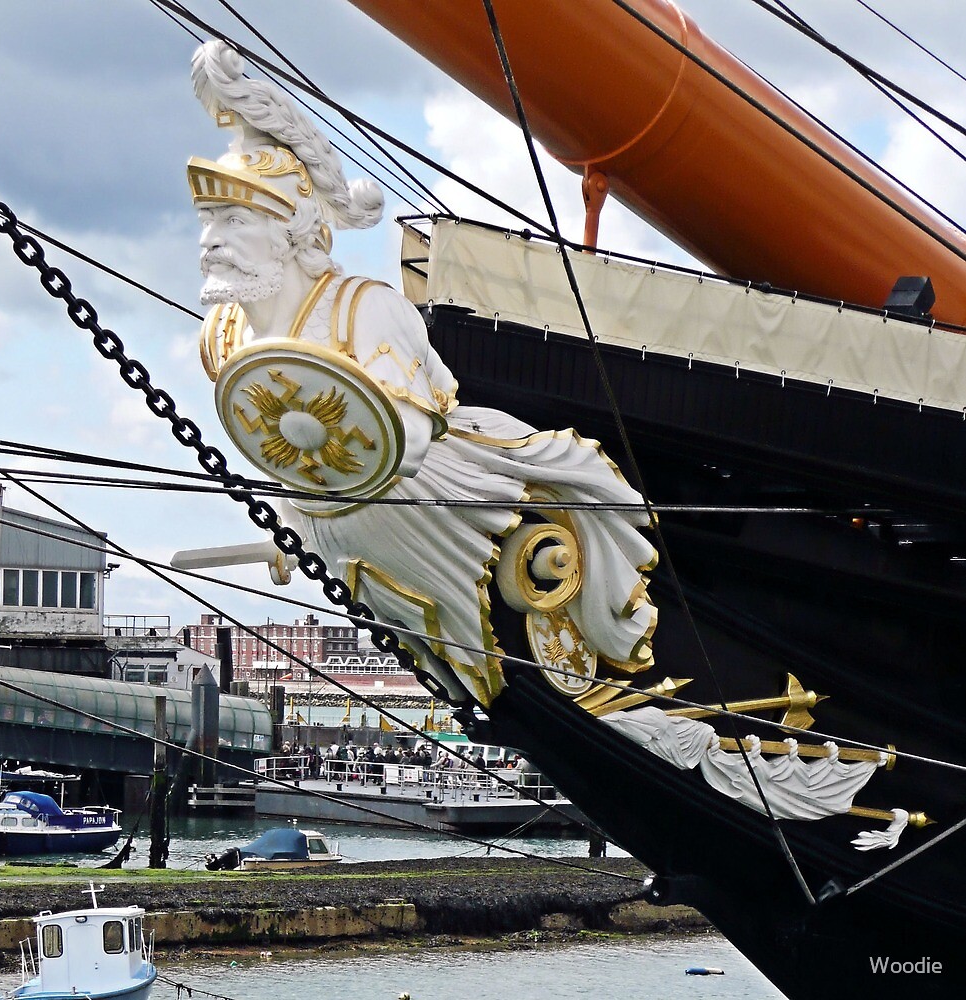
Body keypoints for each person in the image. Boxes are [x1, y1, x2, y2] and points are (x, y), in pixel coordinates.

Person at [185, 40, 659, 712]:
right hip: (353, 535)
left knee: (492, 642)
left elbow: (400, 442)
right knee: (460, 666)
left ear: (294, 231)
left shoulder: (363, 310)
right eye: (206, 219)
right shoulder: (225, 337)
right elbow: (281, 453)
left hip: (445, 504)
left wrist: (323, 460)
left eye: (233, 219)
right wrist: (291, 523)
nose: (209, 238)